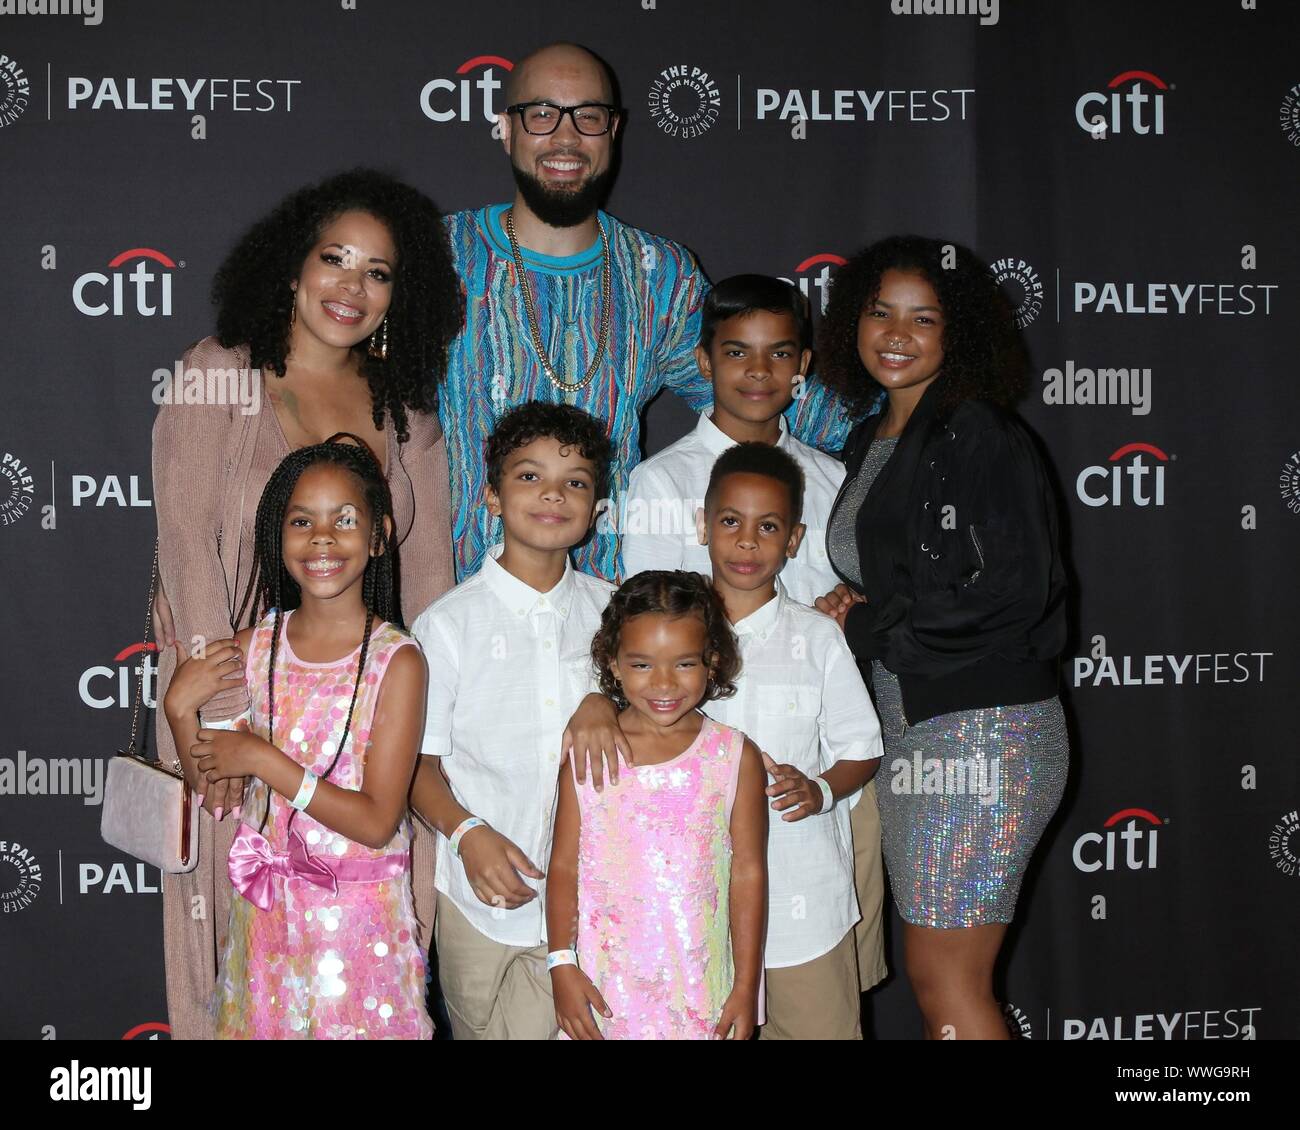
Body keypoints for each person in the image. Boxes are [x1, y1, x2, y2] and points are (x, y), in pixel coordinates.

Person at [150, 168, 461, 1039]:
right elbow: (185, 552)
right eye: (334, 259)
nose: (351, 287)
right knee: (236, 944)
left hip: (365, 714)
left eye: (378, 271)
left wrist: (425, 723)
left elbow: (429, 577)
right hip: (235, 704)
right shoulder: (218, 375)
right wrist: (227, 723)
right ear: (292, 267)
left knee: (363, 963)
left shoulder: (405, 408)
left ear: (401, 294)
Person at [438, 42, 855, 584]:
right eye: (541, 114)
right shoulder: (442, 255)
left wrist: (907, 421)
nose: (566, 137)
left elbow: (758, 394)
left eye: (588, 116)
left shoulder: (657, 273)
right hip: (461, 602)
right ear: (506, 128)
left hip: (611, 608)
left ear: (613, 131)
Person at [815, 235, 1069, 1040]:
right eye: (880, 312)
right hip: (915, 728)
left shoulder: (978, 433)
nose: (897, 332)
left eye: (924, 318)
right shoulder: (871, 438)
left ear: (957, 333)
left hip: (980, 731)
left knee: (947, 980)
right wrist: (861, 607)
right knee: (941, 977)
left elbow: (1012, 594)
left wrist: (867, 623)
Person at [164, 438, 431, 1038]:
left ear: (379, 534)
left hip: (360, 940)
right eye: (302, 521)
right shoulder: (256, 645)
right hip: (265, 930)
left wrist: (262, 757)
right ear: (276, 534)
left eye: (344, 520)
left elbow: (375, 822)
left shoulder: (398, 661)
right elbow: (218, 793)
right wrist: (180, 709)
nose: (321, 539)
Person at [408, 402, 614, 1040]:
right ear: (492, 497)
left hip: (593, 897)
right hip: (482, 898)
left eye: (575, 481)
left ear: (597, 507)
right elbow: (418, 765)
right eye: (530, 477)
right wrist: (467, 834)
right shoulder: (447, 625)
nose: (554, 494)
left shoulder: (616, 614)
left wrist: (604, 699)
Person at [695, 443, 883, 1039]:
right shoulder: (673, 634)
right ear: (703, 527)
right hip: (698, 904)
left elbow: (862, 747)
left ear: (794, 540)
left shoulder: (818, 639)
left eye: (768, 526)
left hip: (803, 900)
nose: (747, 542)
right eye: (731, 522)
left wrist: (822, 790)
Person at [546, 570, 767, 1040]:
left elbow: (748, 873)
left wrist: (747, 986)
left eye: (683, 664)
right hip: (604, 995)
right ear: (613, 662)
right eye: (643, 665)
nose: (663, 684)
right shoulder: (588, 752)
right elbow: (564, 866)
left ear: (711, 661)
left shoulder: (733, 756)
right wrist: (560, 964)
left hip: (700, 995)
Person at [621, 275, 846, 607]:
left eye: (780, 354)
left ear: (802, 364)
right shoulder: (662, 480)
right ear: (706, 361)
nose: (759, 369)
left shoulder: (835, 481)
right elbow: (648, 618)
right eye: (738, 353)